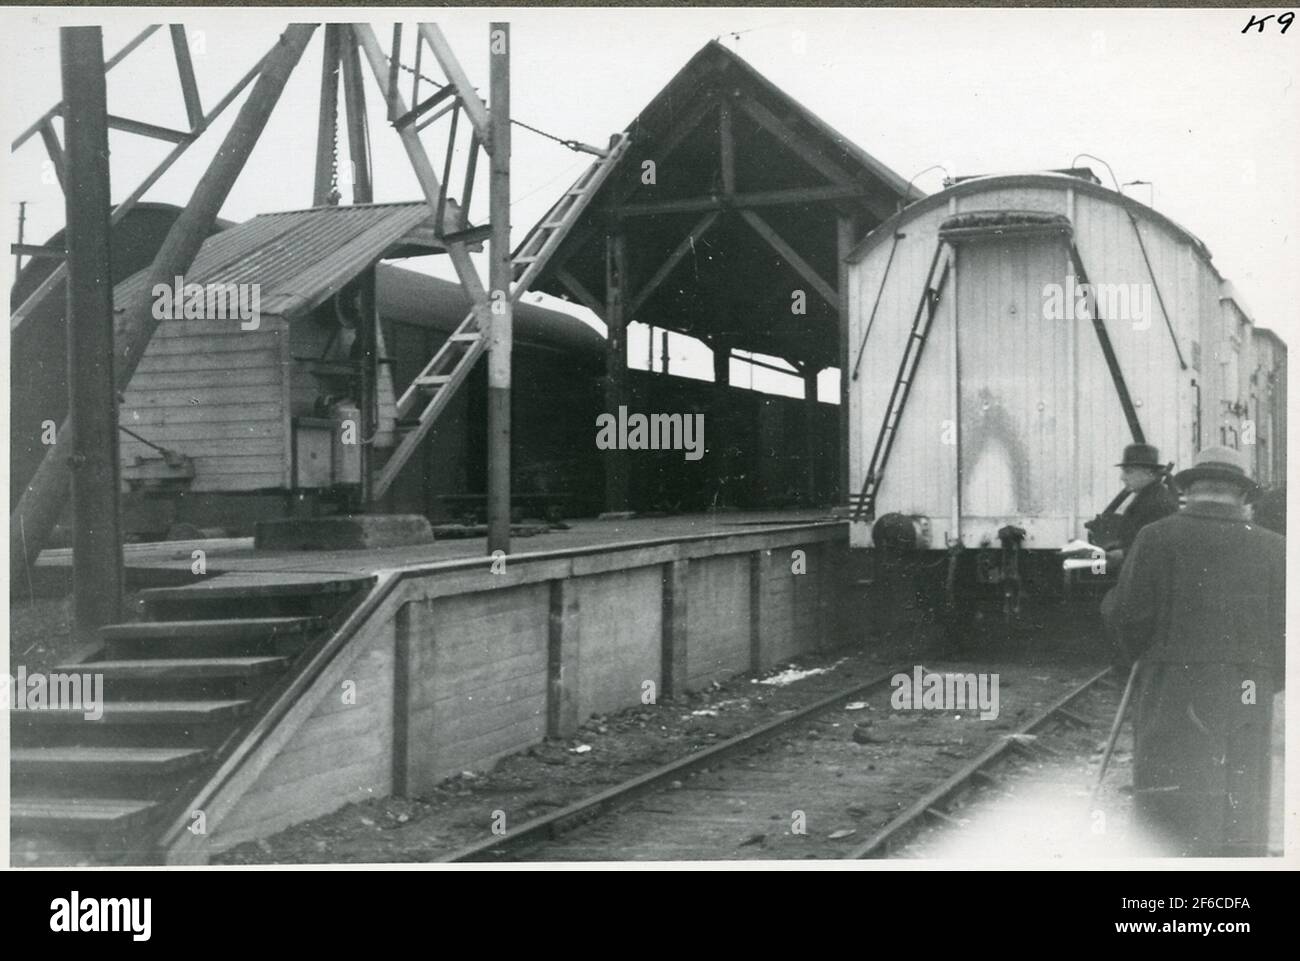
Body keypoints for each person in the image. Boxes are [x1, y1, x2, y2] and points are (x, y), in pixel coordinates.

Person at [1103, 446, 1285, 856]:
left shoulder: (1155, 537)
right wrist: (1263, 680)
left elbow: (1127, 619)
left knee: (1170, 788)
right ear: (1242, 495)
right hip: (1247, 688)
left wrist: (1145, 658)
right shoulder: (1276, 548)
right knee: (1240, 789)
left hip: (1172, 684)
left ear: (1190, 489)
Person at [1105, 443, 1179, 571]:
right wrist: (1109, 549)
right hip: (1132, 573)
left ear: (1149, 473)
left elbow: (1160, 550)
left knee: (1090, 579)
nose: (1122, 477)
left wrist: (1122, 554)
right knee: (1094, 567)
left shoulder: (1159, 503)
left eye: (1129, 472)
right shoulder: (1146, 497)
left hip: (1143, 581)